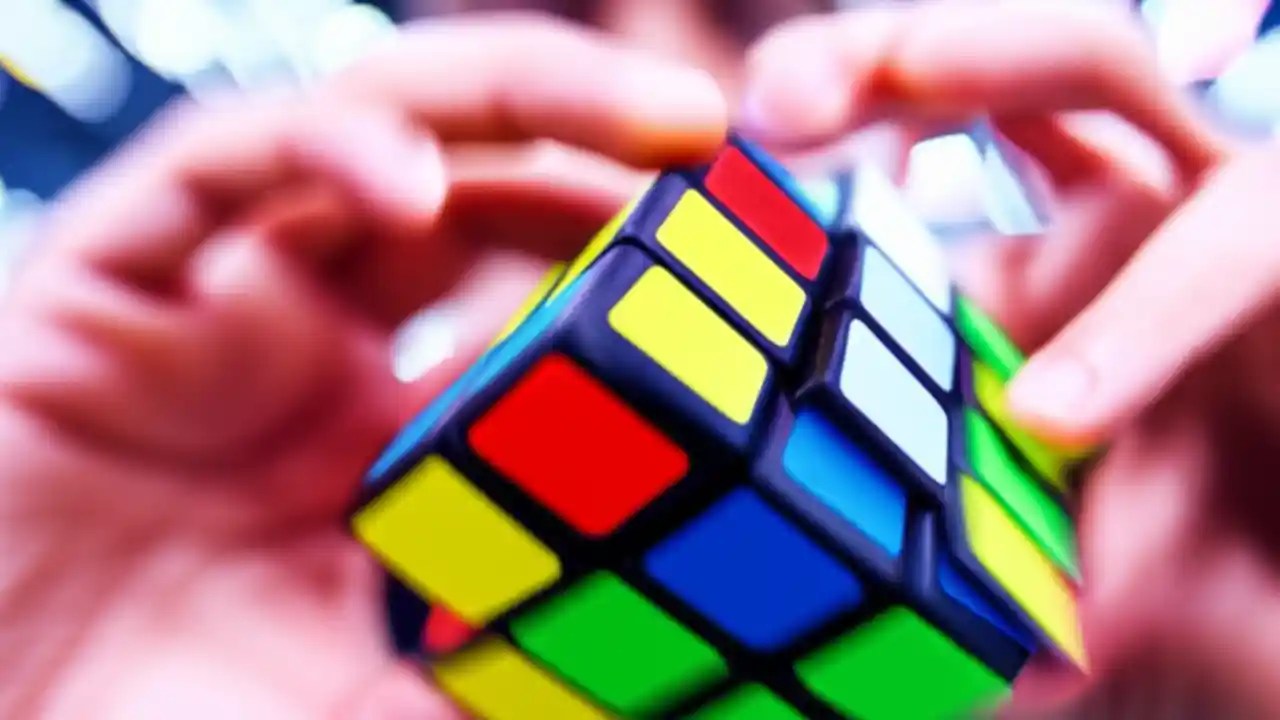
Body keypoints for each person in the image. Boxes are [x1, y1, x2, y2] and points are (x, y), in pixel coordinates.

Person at [0, 1, 1277, 717]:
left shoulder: (1120, 530)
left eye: (740, 2)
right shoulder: (156, 528)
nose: (643, 48)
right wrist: (50, 651)